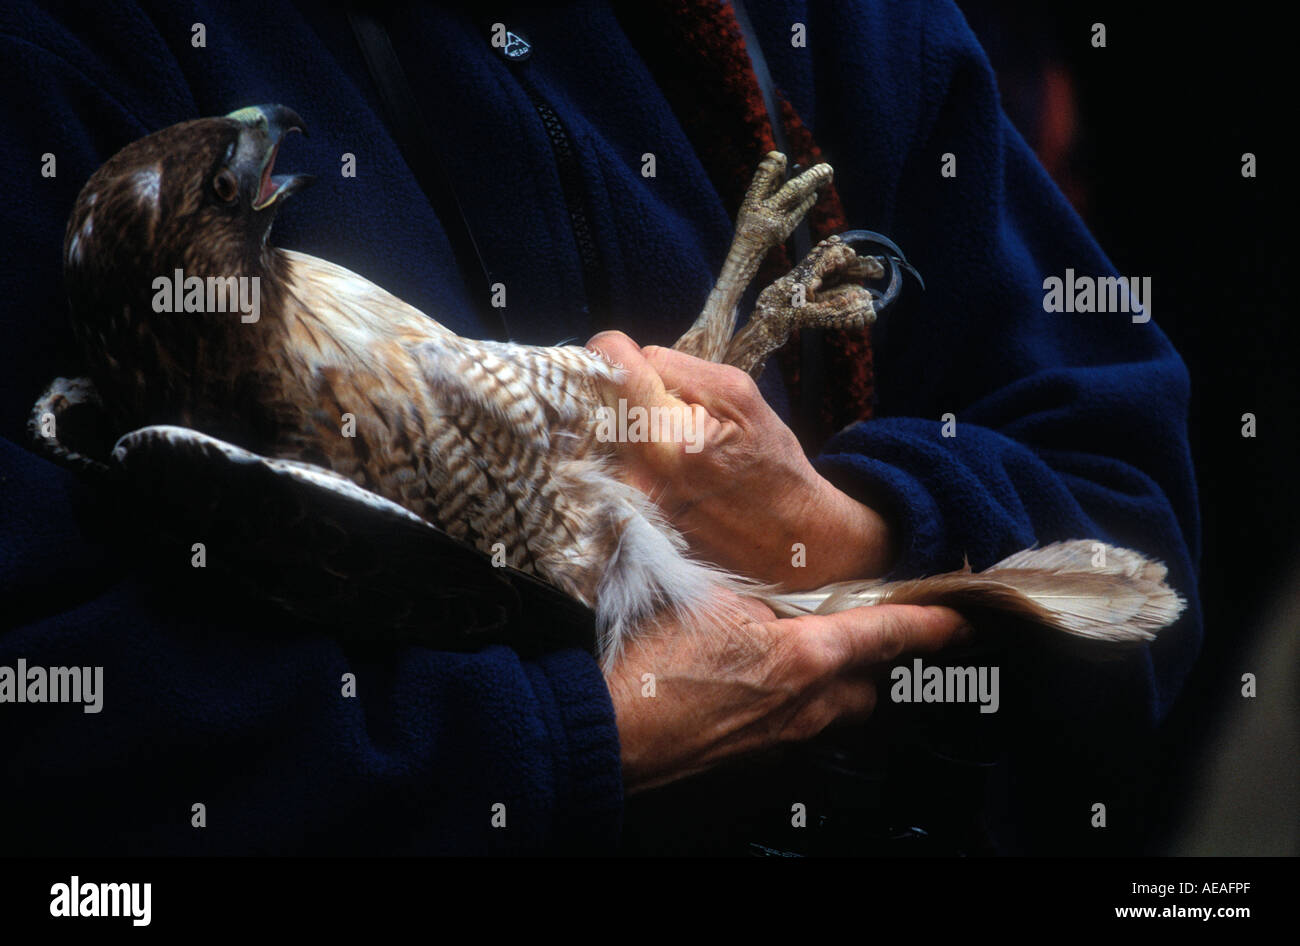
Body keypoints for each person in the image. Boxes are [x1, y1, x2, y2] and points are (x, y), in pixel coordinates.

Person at [0, 0, 1200, 855]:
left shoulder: (842, 25)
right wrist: (575, 746)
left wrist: (861, 534)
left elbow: (1130, 501)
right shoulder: (61, 51)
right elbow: (54, 723)